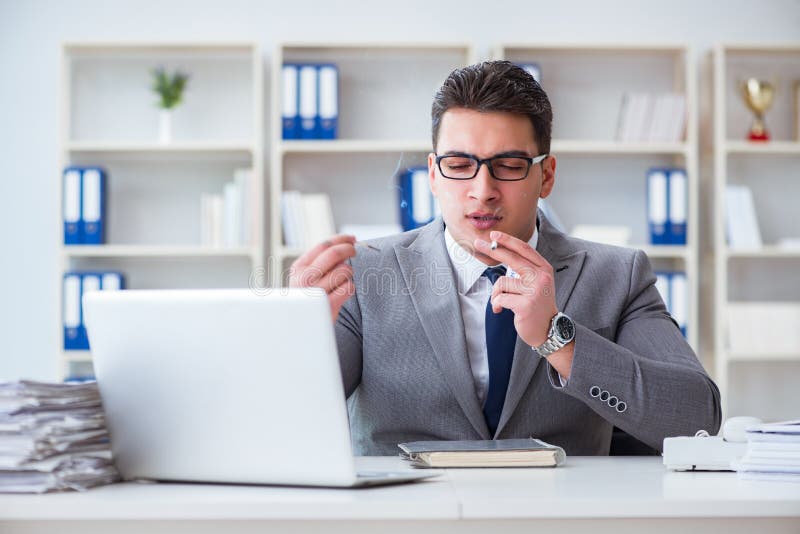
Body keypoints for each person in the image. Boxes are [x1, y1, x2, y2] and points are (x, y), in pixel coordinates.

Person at [289, 60, 721, 456]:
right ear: (434, 175)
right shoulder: (363, 275)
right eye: (459, 164)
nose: (482, 190)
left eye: (510, 165)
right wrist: (294, 332)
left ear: (546, 175)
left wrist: (558, 338)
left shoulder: (616, 276)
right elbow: (289, 425)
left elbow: (697, 419)